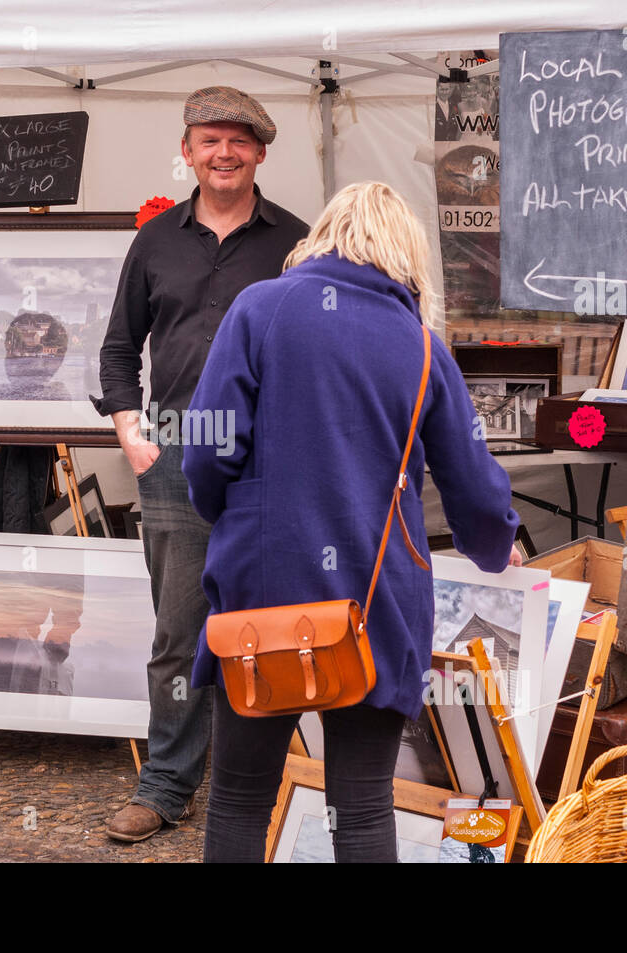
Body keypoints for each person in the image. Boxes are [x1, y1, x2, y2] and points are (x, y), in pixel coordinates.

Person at [182, 181, 523, 862]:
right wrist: (498, 545)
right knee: (363, 806)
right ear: (406, 254)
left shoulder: (258, 309)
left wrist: (231, 515)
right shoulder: (423, 347)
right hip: (378, 604)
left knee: (241, 797)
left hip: (262, 592)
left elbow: (206, 449)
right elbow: (476, 488)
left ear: (327, 233)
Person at [93, 87, 309, 842]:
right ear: (187, 151)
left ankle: (273, 779)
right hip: (177, 453)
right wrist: (131, 430)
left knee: (273, 621)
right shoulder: (155, 241)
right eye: (210, 140)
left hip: (269, 457)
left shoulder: (298, 243)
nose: (225, 153)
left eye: (239, 142)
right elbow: (119, 349)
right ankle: (166, 784)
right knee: (179, 631)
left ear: (260, 153)